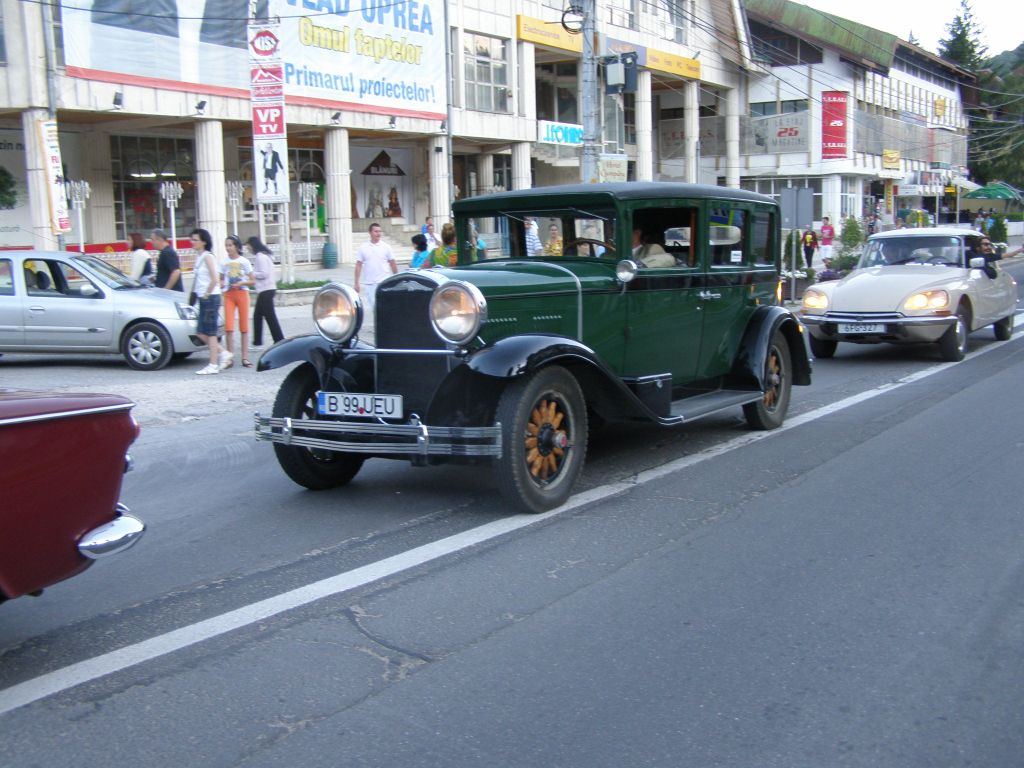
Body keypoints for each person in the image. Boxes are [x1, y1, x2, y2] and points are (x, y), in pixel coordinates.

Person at [188, 228, 223, 375]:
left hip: (210, 297)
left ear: (204, 242)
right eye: (192, 239)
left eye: (195, 240)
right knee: (201, 332)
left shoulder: (208, 257)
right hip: (203, 297)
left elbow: (215, 278)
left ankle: (213, 364)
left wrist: (207, 293)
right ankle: (224, 353)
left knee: (210, 332)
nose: (192, 242)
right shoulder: (200, 257)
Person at [220, 235, 255, 368]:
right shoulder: (223, 262)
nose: (228, 248)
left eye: (230, 245)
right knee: (229, 327)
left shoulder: (244, 261)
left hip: (242, 293)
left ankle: (245, 358)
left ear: (237, 247)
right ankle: (230, 357)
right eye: (226, 245)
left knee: (244, 327)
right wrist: (222, 283)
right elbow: (221, 279)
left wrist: (242, 282)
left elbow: (253, 280)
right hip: (228, 295)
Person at [247, 236, 283, 348]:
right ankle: (258, 341)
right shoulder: (265, 255)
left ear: (253, 246)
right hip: (267, 289)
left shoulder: (260, 256)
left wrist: (252, 273)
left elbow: (264, 273)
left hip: (265, 290)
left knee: (269, 316)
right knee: (258, 316)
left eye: (248, 247)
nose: (248, 249)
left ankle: (279, 340)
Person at [353, 222, 397, 314]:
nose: (378, 234)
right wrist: (356, 282)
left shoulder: (386, 247)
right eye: (376, 231)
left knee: (384, 307)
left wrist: (396, 279)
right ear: (370, 232)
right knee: (374, 308)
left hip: (384, 282)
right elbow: (358, 265)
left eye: (379, 231)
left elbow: (392, 263)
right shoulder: (363, 247)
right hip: (370, 283)